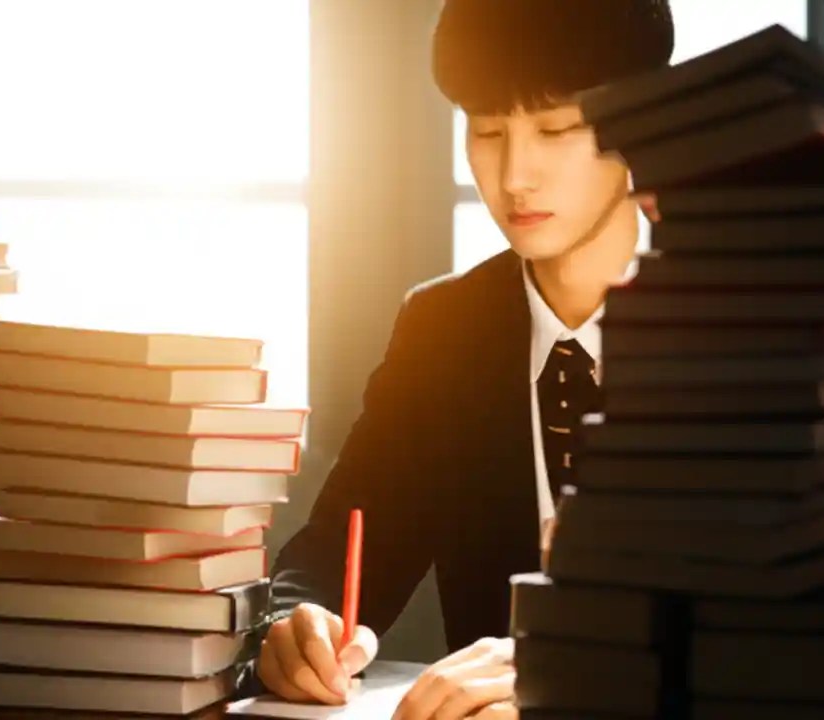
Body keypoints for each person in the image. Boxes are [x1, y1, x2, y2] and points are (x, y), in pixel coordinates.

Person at [253, 2, 673, 718]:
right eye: (485, 130)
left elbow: (810, 629)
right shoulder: (444, 330)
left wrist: (574, 666)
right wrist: (296, 625)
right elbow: (338, 549)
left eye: (556, 129)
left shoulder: (749, 326)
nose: (515, 176)